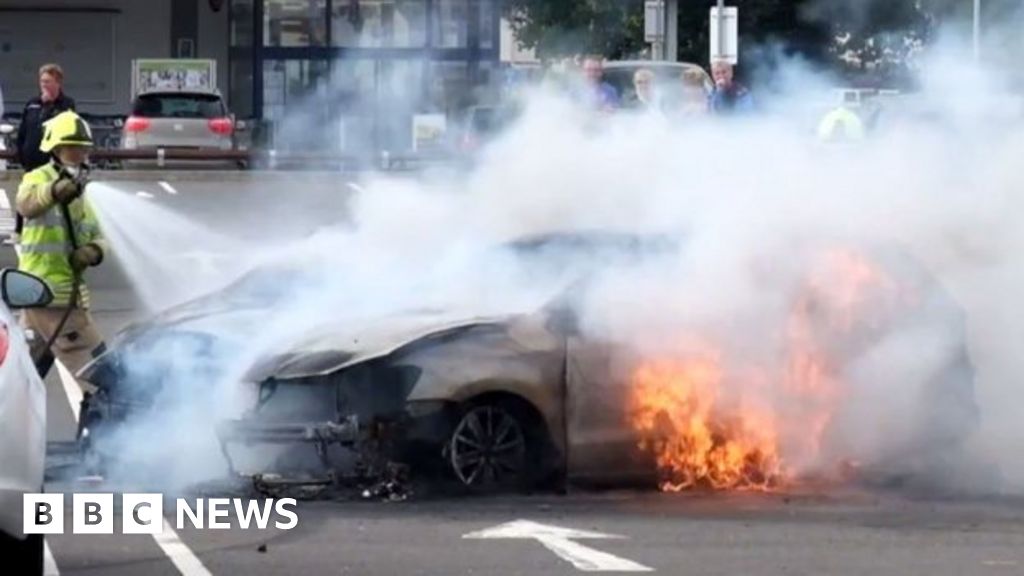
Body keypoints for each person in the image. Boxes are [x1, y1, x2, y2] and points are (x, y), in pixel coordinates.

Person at [16, 110, 106, 400]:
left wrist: (94, 251)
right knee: (105, 383)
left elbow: (96, 233)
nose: (80, 154)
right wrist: (54, 191)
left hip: (41, 299)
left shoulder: (80, 191)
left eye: (83, 148)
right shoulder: (37, 178)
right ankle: (104, 428)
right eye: (73, 147)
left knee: (19, 380)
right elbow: (25, 204)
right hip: (54, 299)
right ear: (56, 149)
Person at [15, 64, 76, 244]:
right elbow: (23, 130)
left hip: (52, 161)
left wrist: (49, 105)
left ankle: (60, 230)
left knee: (52, 194)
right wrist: (21, 153)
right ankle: (19, 230)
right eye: (42, 81)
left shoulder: (66, 105)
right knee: (26, 193)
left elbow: (66, 129)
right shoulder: (32, 104)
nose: (44, 85)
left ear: (58, 83)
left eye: (48, 81)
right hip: (31, 160)